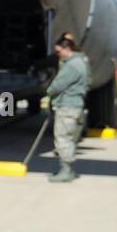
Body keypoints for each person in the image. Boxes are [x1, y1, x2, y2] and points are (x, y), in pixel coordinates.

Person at [44, 34, 88, 182]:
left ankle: (66, 171)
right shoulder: (80, 62)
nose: (57, 55)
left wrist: (47, 92)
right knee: (69, 138)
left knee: (62, 139)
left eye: (58, 51)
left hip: (67, 107)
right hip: (73, 106)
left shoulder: (72, 66)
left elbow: (58, 85)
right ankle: (68, 170)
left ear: (66, 48)